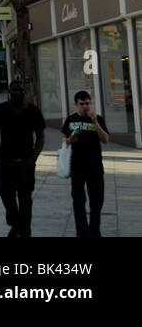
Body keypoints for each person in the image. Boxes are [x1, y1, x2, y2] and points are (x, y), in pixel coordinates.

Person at [0, 81, 45, 237]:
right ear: (9, 92)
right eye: (14, 90)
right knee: (7, 196)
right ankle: (16, 224)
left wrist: (33, 158)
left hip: (25, 162)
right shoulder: (0, 110)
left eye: (20, 90)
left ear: (24, 92)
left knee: (25, 199)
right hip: (5, 162)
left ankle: (24, 231)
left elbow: (40, 137)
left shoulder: (34, 112)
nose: (17, 93)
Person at [61, 90, 109, 237]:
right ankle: (81, 231)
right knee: (79, 200)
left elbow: (105, 139)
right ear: (76, 104)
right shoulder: (70, 119)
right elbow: (64, 138)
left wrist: (95, 123)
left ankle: (94, 231)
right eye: (82, 104)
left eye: (87, 103)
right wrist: (68, 141)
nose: (85, 106)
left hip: (95, 167)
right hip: (77, 167)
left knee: (96, 202)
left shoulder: (97, 118)